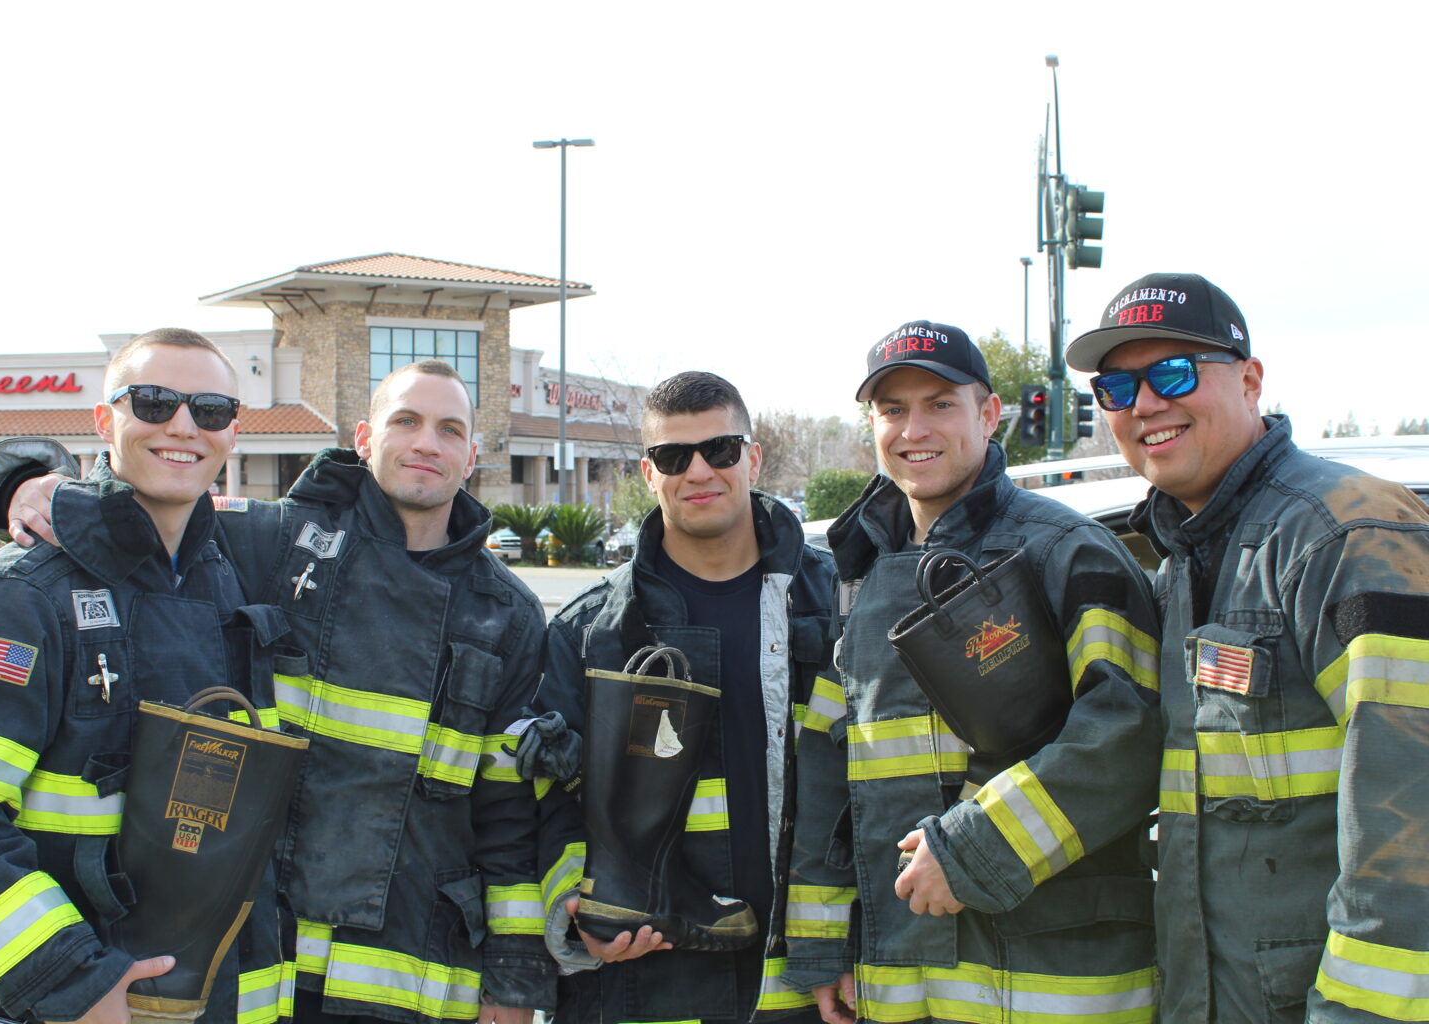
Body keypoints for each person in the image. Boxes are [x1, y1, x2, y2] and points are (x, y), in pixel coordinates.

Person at [0, 359, 550, 1023]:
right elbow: (145, 510)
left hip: (413, 970)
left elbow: (510, 819)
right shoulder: (272, 542)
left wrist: (515, 985)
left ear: (473, 454)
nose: (428, 442)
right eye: (407, 422)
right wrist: (32, 484)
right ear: (365, 439)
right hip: (258, 962)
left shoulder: (507, 613)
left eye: (450, 429)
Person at [0, 328, 288, 1023]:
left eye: (211, 410)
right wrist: (72, 981)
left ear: (234, 434)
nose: (184, 426)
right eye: (155, 401)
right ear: (104, 421)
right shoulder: (18, 597)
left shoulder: (234, 585)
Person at [1068, 272, 1429, 1023]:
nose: (1146, 405)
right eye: (1117, 388)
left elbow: (1410, 828)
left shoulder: (1346, 534)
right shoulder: (1181, 566)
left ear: (1250, 380)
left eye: (1173, 372)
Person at [785, 322, 1164, 1024]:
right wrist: (819, 941)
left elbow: (1129, 732)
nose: (913, 428)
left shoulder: (1070, 552)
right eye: (892, 410)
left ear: (989, 415)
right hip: (902, 978)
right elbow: (826, 768)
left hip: (1057, 979)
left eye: (939, 404)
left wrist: (973, 852)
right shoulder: (861, 575)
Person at [529, 371, 837, 1024]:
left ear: (752, 457)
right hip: (645, 983)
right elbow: (544, 793)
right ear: (648, 473)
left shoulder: (837, 602)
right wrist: (576, 909)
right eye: (674, 457)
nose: (699, 470)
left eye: (719, 450)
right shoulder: (590, 629)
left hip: (804, 981)